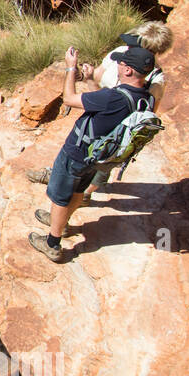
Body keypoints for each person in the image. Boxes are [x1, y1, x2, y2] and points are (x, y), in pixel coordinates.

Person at [28, 43, 157, 262]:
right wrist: (89, 80)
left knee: (60, 197)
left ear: (128, 70)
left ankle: (52, 243)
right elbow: (102, 104)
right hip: (99, 156)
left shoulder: (114, 97)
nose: (117, 66)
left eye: (121, 63)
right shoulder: (145, 98)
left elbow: (69, 98)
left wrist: (71, 67)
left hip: (77, 152)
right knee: (79, 191)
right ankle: (61, 221)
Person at [25, 22, 172, 197]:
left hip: (117, 131)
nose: (128, 47)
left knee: (103, 163)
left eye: (134, 45)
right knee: (76, 153)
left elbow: (145, 116)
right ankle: (61, 178)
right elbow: (98, 77)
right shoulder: (120, 54)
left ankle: (85, 194)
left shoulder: (156, 80)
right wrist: (84, 76)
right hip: (98, 114)